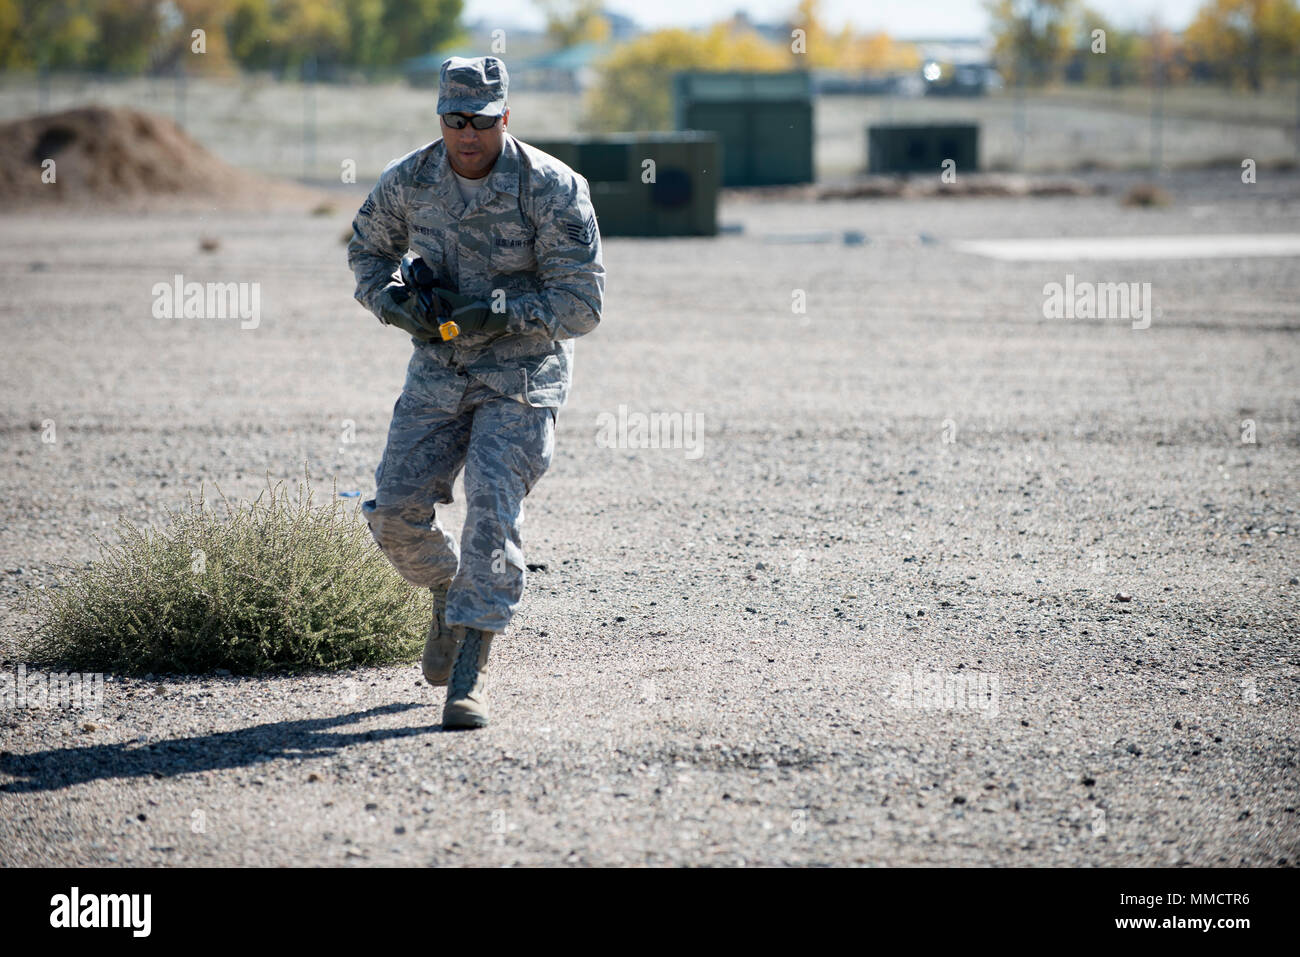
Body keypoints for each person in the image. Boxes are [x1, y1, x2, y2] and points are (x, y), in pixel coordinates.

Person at [346, 55, 604, 729]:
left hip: (522, 373)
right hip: (439, 368)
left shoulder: (551, 186)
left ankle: (470, 671)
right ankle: (445, 589)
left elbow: (583, 304)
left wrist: (504, 313)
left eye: (483, 121)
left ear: (504, 118)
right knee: (393, 512)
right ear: (440, 118)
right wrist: (394, 304)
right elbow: (366, 251)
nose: (469, 134)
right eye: (456, 120)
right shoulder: (410, 180)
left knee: (492, 502)